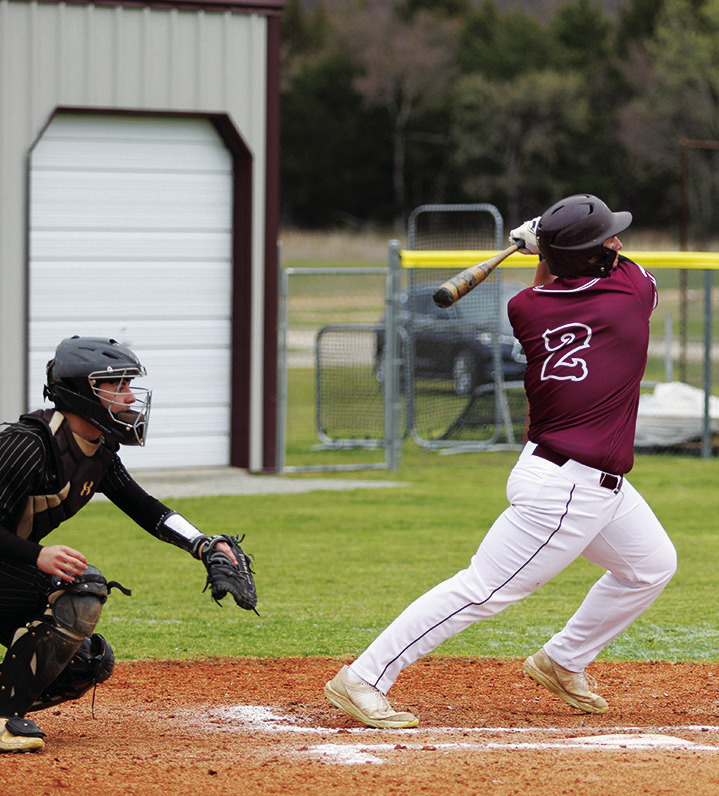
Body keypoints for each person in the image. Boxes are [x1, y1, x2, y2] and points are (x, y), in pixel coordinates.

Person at [324, 194, 677, 728]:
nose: (618, 244)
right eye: (608, 239)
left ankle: (563, 659)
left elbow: (550, 282)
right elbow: (625, 271)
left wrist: (539, 243)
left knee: (650, 566)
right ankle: (364, 677)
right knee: (481, 590)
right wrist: (546, 240)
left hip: (586, 481)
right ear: (589, 258)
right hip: (567, 491)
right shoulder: (629, 296)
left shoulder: (526, 308)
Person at [0, 336, 256, 753]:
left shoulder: (96, 453)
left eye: (128, 384)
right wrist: (38, 555)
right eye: (116, 385)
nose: (129, 396)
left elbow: (145, 508)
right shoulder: (29, 444)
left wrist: (204, 545)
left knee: (86, 663)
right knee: (82, 587)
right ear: (82, 392)